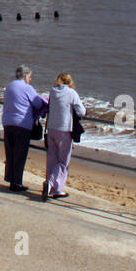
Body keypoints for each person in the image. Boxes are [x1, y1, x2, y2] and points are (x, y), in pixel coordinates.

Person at [1, 66, 46, 192]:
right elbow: (37, 103)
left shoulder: (9, 86)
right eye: (30, 77)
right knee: (20, 154)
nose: (30, 80)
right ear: (25, 76)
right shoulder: (27, 88)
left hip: (7, 122)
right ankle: (16, 183)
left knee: (10, 152)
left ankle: (10, 178)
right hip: (21, 124)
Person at [42, 72, 86, 200]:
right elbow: (81, 111)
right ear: (69, 82)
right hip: (64, 129)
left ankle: (51, 185)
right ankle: (54, 186)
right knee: (63, 161)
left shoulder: (52, 91)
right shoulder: (71, 93)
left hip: (51, 128)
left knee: (52, 159)